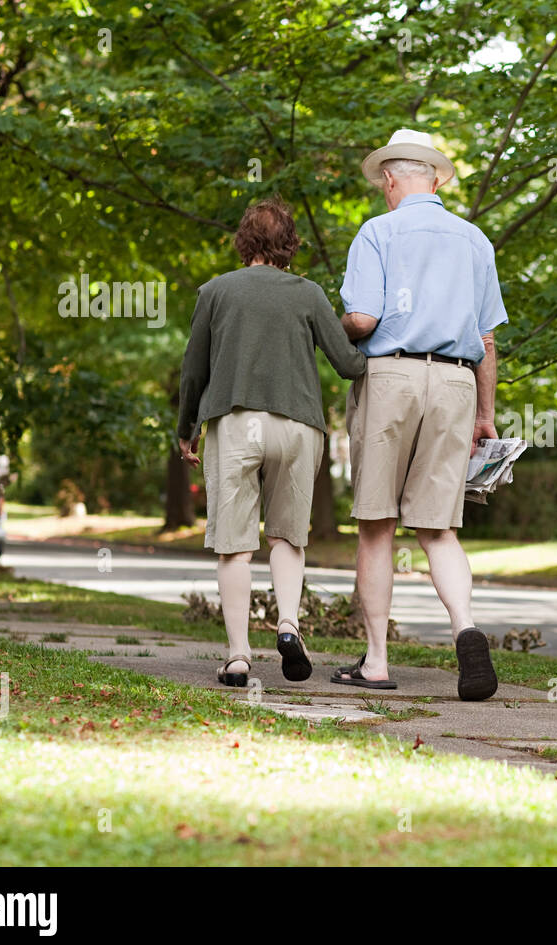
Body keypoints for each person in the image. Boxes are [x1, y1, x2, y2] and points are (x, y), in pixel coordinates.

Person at [334, 128, 507, 701]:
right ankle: (466, 628)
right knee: (438, 527)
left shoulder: (378, 232)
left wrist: (336, 329)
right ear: (434, 178)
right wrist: (486, 413)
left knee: (377, 523)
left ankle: (377, 662)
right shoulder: (475, 240)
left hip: (394, 376)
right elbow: (485, 338)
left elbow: (362, 319)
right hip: (458, 381)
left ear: (390, 180)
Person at [176, 196, 366, 687]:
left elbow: (193, 370)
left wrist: (186, 429)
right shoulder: (309, 294)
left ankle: (239, 657)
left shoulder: (215, 292)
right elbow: (348, 364)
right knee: (287, 537)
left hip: (235, 423)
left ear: (245, 242)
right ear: (289, 244)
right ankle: (288, 626)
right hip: (298, 426)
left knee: (234, 546)